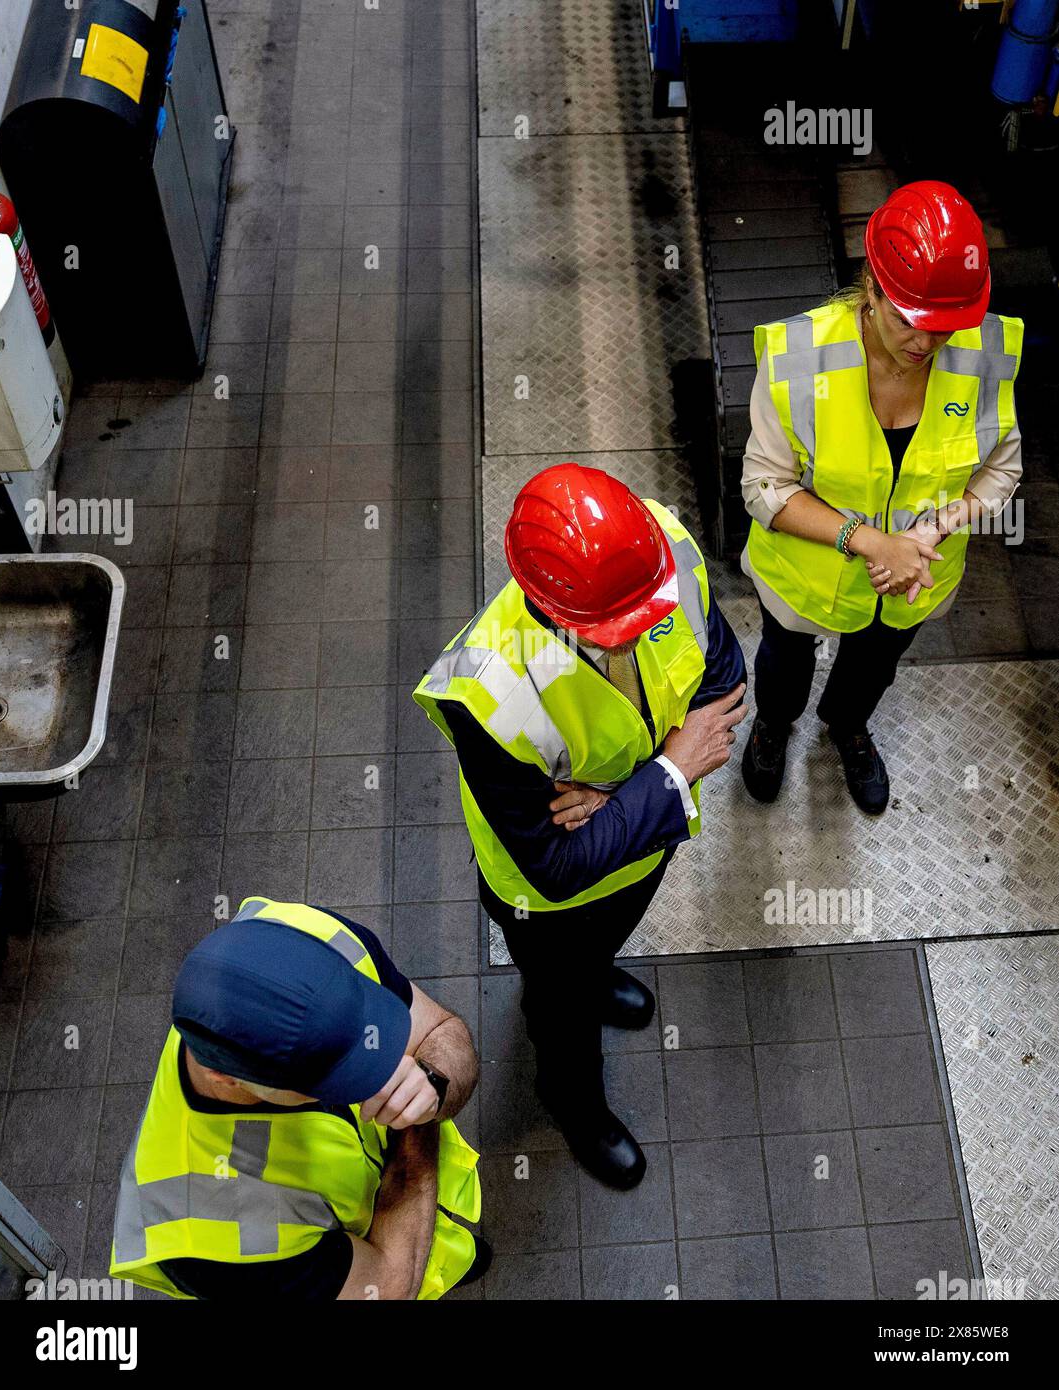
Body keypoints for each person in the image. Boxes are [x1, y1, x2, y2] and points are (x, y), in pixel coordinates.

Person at [414, 463, 746, 1189]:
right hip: (548, 906)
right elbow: (554, 867)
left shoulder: (662, 552)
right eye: (608, 632)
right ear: (540, 598)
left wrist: (629, 793)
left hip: (637, 856)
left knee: (601, 945)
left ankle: (591, 975)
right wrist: (669, 773)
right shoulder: (488, 685)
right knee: (560, 1009)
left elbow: (724, 685)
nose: (631, 641)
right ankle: (569, 1097)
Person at [740, 180, 1023, 814]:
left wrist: (931, 535)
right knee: (784, 663)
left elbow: (1000, 473)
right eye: (908, 322)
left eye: (944, 328)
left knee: (872, 667)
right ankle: (771, 727)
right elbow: (763, 487)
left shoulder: (984, 353)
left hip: (915, 580)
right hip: (806, 580)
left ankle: (847, 727)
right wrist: (872, 542)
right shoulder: (798, 359)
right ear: (872, 286)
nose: (925, 344)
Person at [109, 896, 485, 1300]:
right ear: (226, 1077)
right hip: (389, 1246)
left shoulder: (311, 934)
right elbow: (390, 1287)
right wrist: (415, 1127)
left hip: (413, 1216)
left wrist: (434, 1080)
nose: (382, 1068)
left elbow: (443, 1031)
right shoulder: (208, 1240)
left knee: (465, 1255)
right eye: (329, 1078)